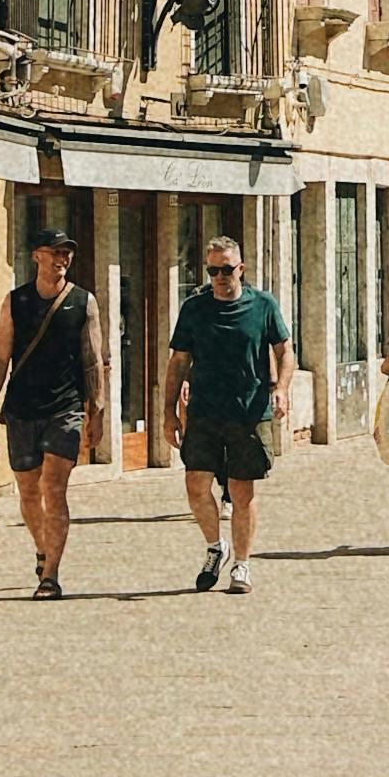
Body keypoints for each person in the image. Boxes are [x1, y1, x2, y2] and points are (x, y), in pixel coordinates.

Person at [0, 213, 106, 597]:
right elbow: (0, 358)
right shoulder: (17, 302)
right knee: (28, 491)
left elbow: (92, 359)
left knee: (54, 488)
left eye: (67, 253)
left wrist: (96, 412)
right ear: (37, 256)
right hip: (22, 408)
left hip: (65, 409)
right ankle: (41, 548)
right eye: (55, 252)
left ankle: (51, 575)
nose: (62, 259)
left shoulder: (83, 302)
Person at [165, 228, 292, 596]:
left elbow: (285, 351)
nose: (220, 278)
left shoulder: (262, 305)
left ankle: (242, 564)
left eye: (227, 270)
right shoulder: (195, 308)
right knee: (196, 486)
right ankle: (214, 546)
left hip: (248, 413)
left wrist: (282, 389)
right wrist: (168, 412)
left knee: (242, 492)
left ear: (242, 269)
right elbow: (178, 361)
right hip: (203, 411)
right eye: (213, 271)